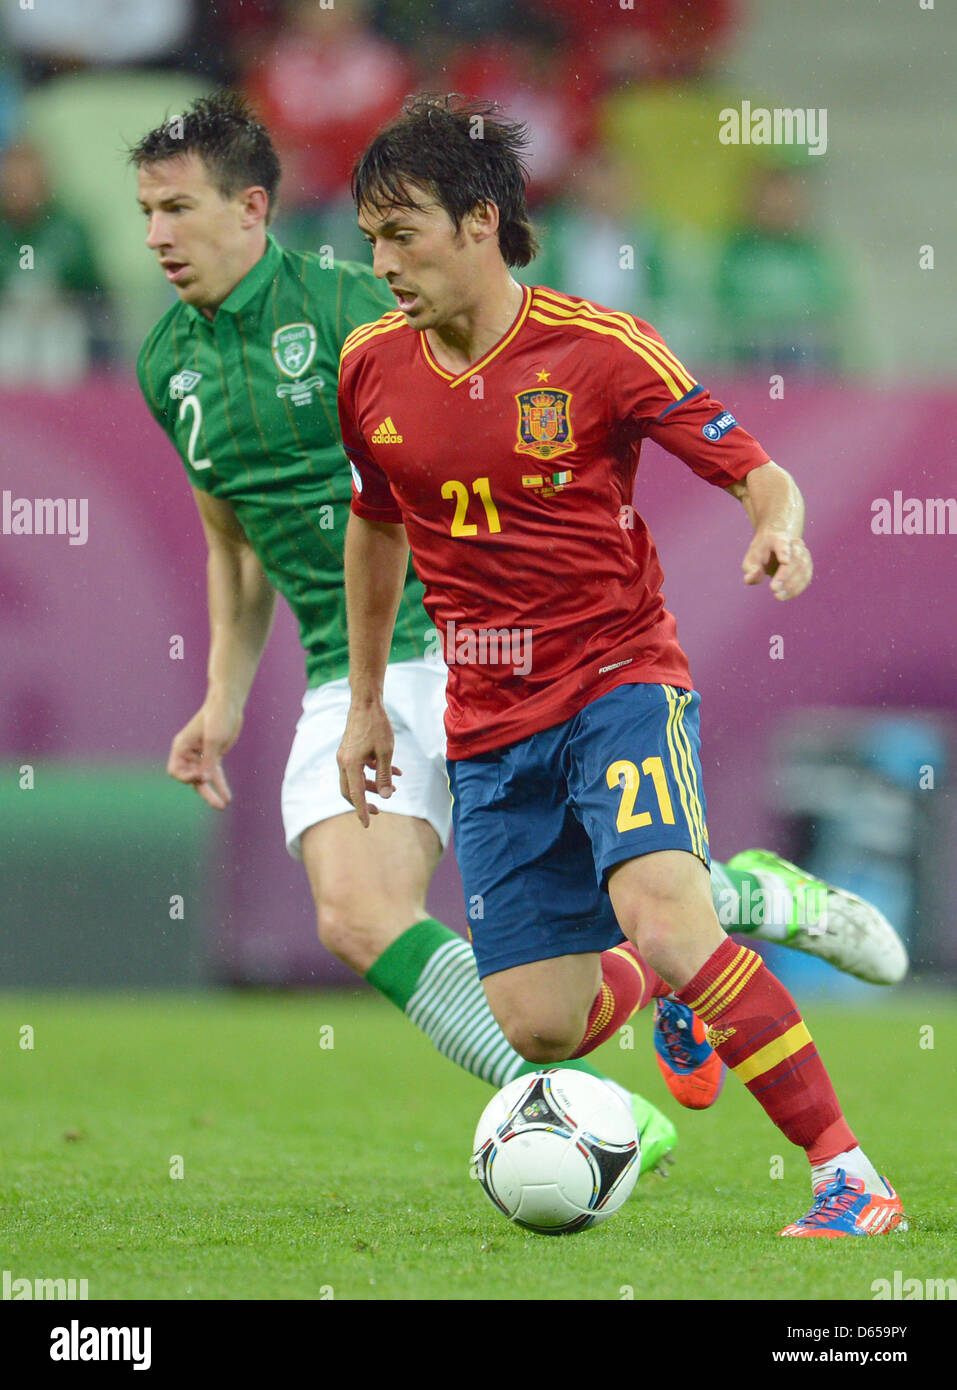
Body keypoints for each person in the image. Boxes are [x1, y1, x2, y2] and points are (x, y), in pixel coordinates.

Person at [131, 91, 904, 1194]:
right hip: (472, 706)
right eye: (373, 242)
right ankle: (717, 919)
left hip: (605, 673)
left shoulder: (580, 343)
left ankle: (846, 1174)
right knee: (534, 1017)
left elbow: (754, 465)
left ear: (479, 222)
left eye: (404, 235)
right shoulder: (351, 366)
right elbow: (341, 528)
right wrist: (323, 700)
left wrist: (777, 525)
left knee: (658, 915)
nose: (385, 262)